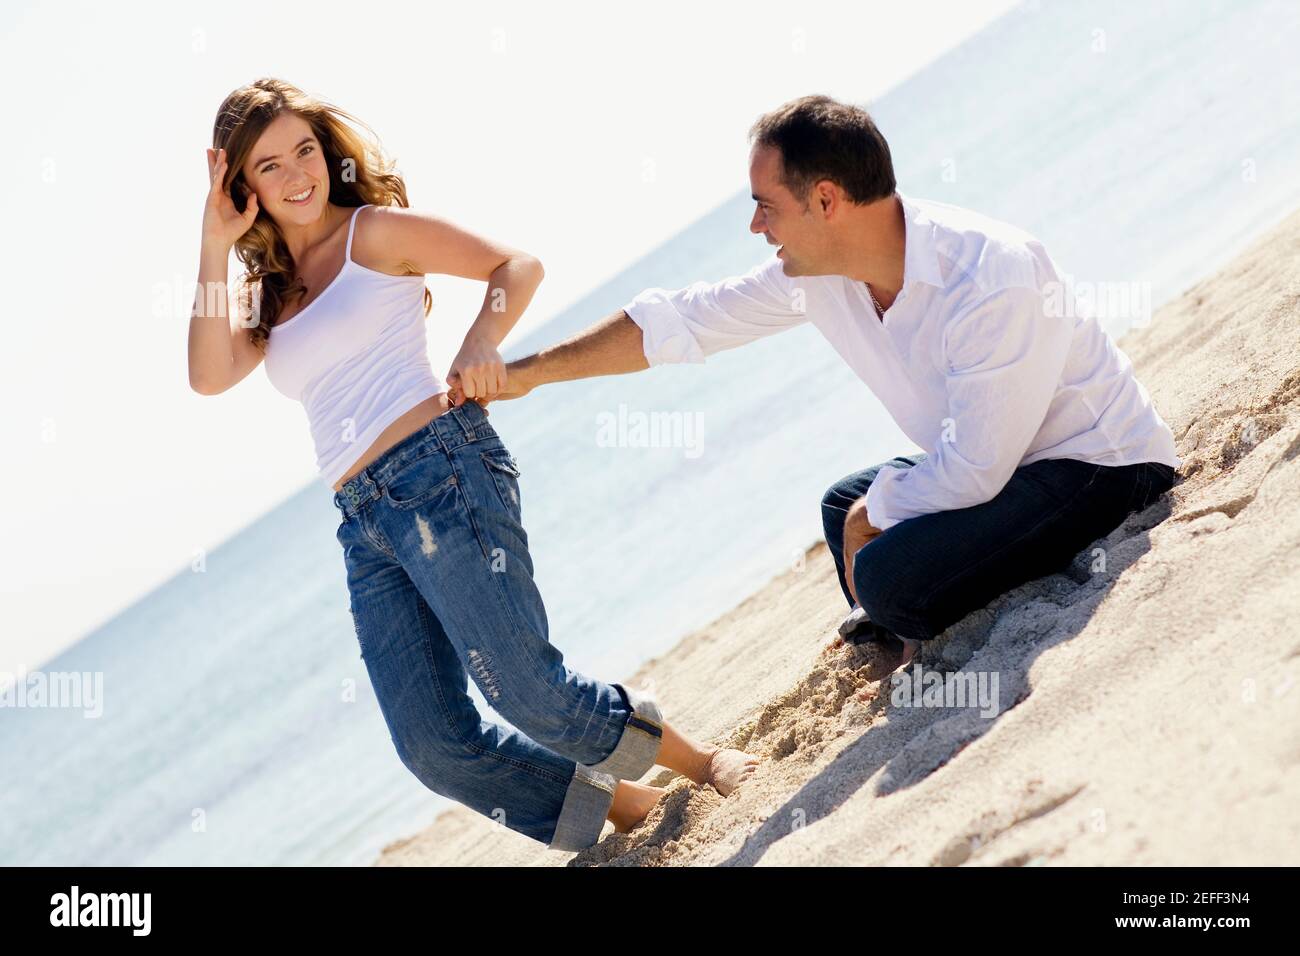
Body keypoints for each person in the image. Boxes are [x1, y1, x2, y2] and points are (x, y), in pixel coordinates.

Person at [187, 77, 757, 851]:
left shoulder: (374, 233)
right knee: (434, 748)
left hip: (440, 474)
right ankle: (624, 807)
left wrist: (480, 342)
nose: (298, 176)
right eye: (271, 166)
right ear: (241, 186)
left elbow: (515, 266)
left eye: (305, 152)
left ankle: (707, 761)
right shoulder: (267, 295)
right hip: (362, 523)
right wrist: (213, 244)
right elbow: (208, 374)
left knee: (529, 692)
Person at [490, 94, 1181, 666]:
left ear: (825, 200)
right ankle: (898, 621)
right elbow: (682, 322)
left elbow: (973, 472)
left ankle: (898, 612)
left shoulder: (988, 273)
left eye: (766, 205)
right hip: (1010, 463)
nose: (756, 226)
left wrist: (869, 519)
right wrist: (527, 374)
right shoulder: (819, 277)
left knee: (883, 568)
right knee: (840, 501)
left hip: (1102, 465)